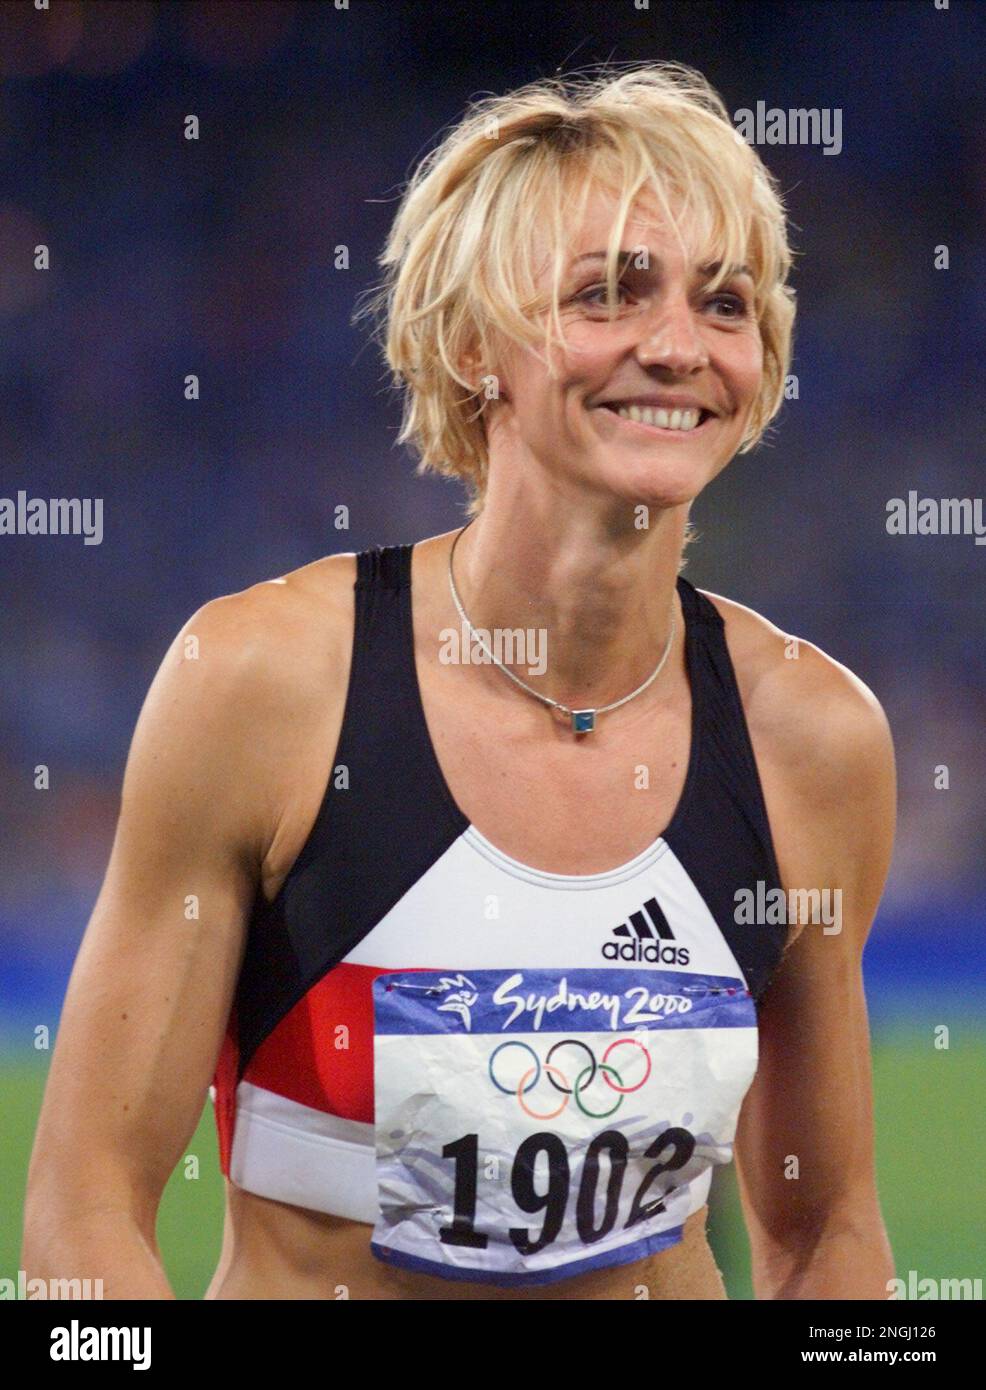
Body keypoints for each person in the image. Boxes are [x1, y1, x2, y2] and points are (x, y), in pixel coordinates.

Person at [23, 62, 896, 1300]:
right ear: (474, 345)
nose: (674, 345)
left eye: (725, 304)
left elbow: (828, 1238)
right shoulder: (267, 684)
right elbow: (78, 1227)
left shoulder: (814, 736)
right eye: (608, 293)